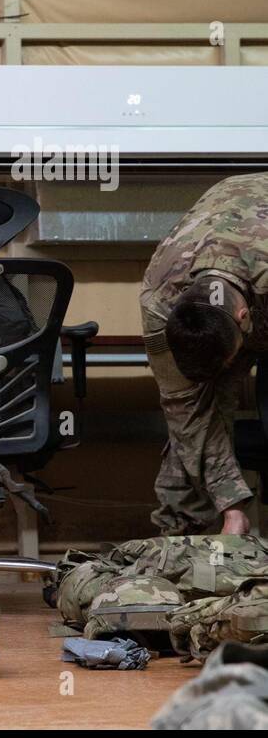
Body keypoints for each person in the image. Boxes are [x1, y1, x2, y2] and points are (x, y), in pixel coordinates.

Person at [139, 172, 268, 536]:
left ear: (246, 320)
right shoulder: (159, 299)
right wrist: (233, 505)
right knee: (196, 422)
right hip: (236, 265)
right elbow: (187, 413)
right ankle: (180, 546)